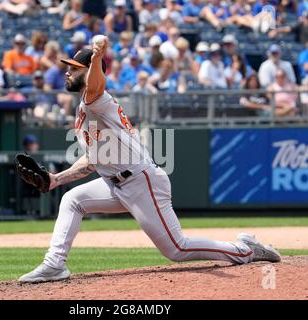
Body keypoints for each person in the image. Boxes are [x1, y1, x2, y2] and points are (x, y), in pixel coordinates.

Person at [18, 36, 281, 283]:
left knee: (177, 249)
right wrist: (55, 180)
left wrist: (98, 55)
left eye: (75, 68)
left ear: (90, 71)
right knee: (72, 200)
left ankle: (244, 250)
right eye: (69, 67)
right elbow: (91, 160)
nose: (68, 72)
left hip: (141, 182)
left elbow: (96, 83)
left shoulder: (96, 99)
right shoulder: (86, 108)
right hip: (116, 184)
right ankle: (55, 263)